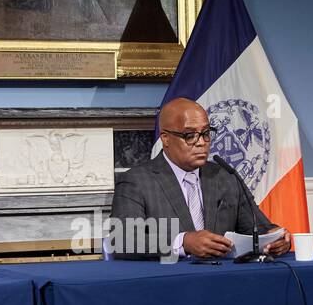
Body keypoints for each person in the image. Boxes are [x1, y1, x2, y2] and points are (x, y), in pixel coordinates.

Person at [108, 98, 292, 260]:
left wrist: (276, 238)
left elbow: (259, 228)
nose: (202, 142)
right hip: (169, 283)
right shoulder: (136, 181)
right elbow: (123, 239)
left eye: (205, 133)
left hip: (225, 281)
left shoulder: (225, 176)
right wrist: (183, 242)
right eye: (190, 135)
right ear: (165, 138)